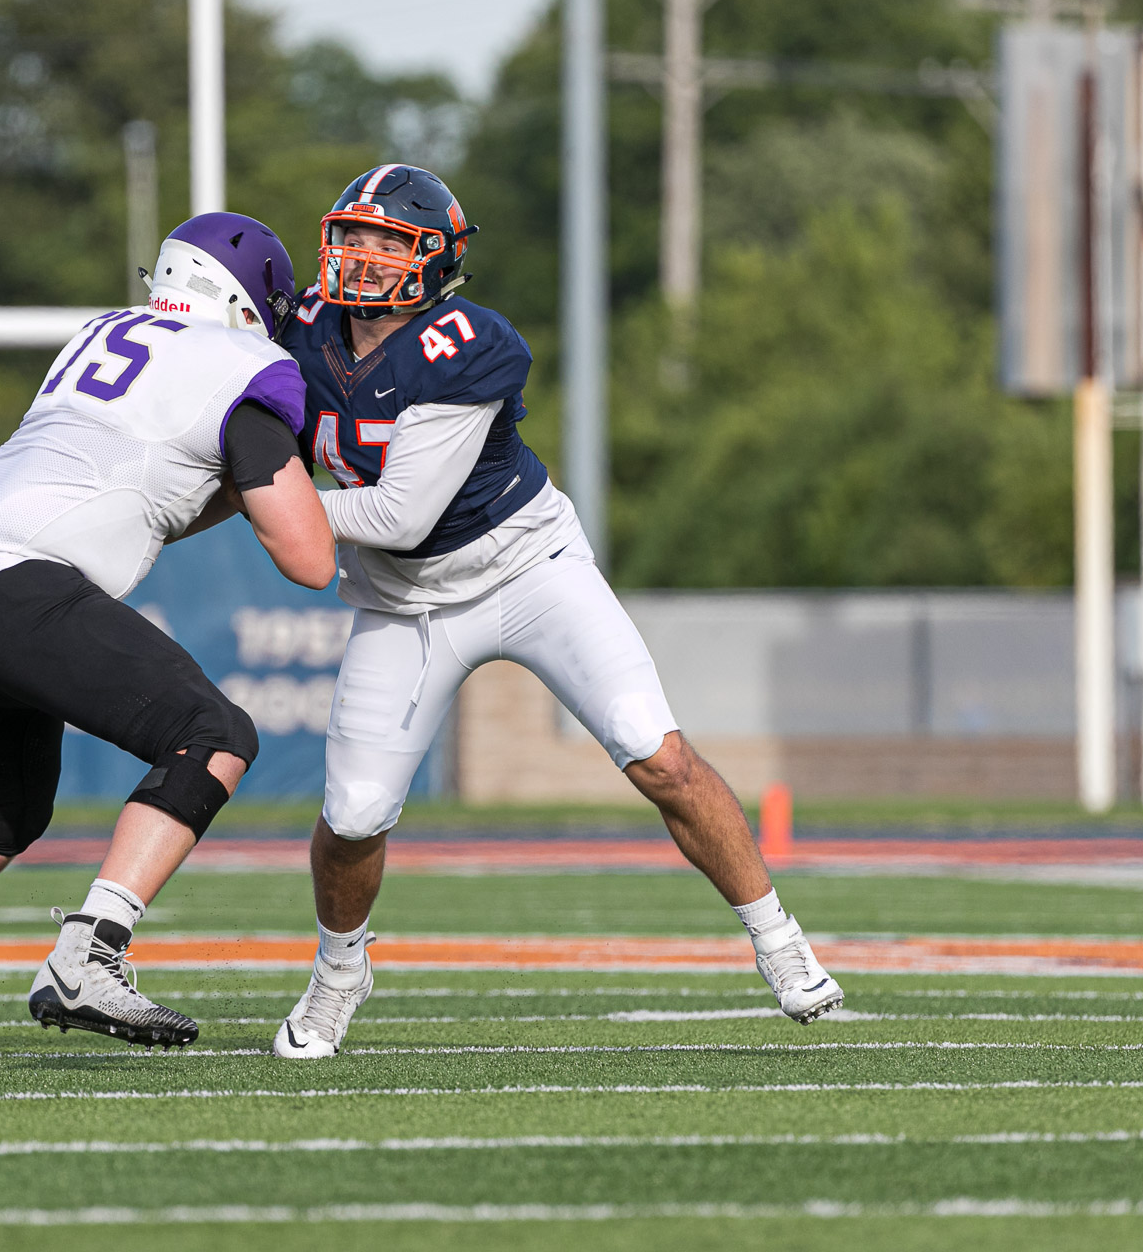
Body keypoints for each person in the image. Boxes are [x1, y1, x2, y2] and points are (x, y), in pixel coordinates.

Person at [269, 165, 845, 1060]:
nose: (363, 255)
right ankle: (341, 970)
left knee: (657, 752)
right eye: (353, 235)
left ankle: (780, 939)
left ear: (434, 260)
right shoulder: (296, 327)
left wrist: (261, 502)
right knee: (353, 816)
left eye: (389, 240)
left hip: (526, 567)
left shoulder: (467, 343)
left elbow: (396, 517)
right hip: (405, 601)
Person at [0, 211, 334, 1064]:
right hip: (21, 580)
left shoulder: (102, 333)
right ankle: (92, 951)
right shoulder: (247, 366)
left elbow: (147, 490)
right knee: (216, 734)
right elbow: (308, 558)